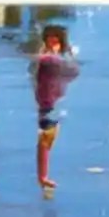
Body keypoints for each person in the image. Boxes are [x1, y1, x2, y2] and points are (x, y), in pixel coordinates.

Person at [35, 24, 79, 189]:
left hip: (55, 104)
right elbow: (69, 69)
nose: (52, 46)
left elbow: (73, 73)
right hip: (48, 105)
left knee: (49, 138)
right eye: (50, 42)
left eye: (56, 42)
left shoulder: (56, 60)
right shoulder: (47, 60)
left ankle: (43, 176)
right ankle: (43, 177)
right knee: (46, 139)